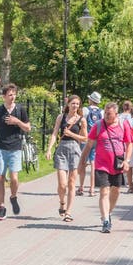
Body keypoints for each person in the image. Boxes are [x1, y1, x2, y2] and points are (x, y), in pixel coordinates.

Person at [79, 101, 133, 233]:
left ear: (116, 114)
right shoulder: (98, 125)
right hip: (101, 164)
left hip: (117, 164)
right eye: (105, 114)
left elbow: (129, 144)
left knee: (116, 191)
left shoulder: (123, 125)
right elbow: (89, 145)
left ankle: (107, 212)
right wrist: (82, 162)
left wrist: (127, 160)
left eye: (109, 114)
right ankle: (105, 221)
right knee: (104, 191)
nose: (106, 116)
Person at [0, 83, 30, 221]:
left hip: (15, 148)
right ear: (4, 96)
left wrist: (17, 121)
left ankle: (13, 196)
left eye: (14, 94)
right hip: (0, 148)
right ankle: (1, 207)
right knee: (0, 178)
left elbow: (28, 128)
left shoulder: (20, 109)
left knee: (14, 179)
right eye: (10, 94)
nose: (13, 97)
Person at [46, 94, 87, 222]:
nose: (75, 106)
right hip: (62, 150)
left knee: (71, 183)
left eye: (77, 104)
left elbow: (85, 138)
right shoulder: (61, 117)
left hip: (75, 150)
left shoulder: (82, 120)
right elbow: (54, 133)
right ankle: (62, 202)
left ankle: (68, 212)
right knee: (62, 184)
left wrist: (71, 134)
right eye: (73, 103)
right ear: (68, 104)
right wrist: (49, 149)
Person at [77, 92, 103, 196]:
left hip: (86, 139)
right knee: (93, 164)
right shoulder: (102, 112)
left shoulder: (85, 110)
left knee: (83, 163)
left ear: (91, 100)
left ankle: (81, 187)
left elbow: (81, 125)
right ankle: (92, 189)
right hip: (97, 140)